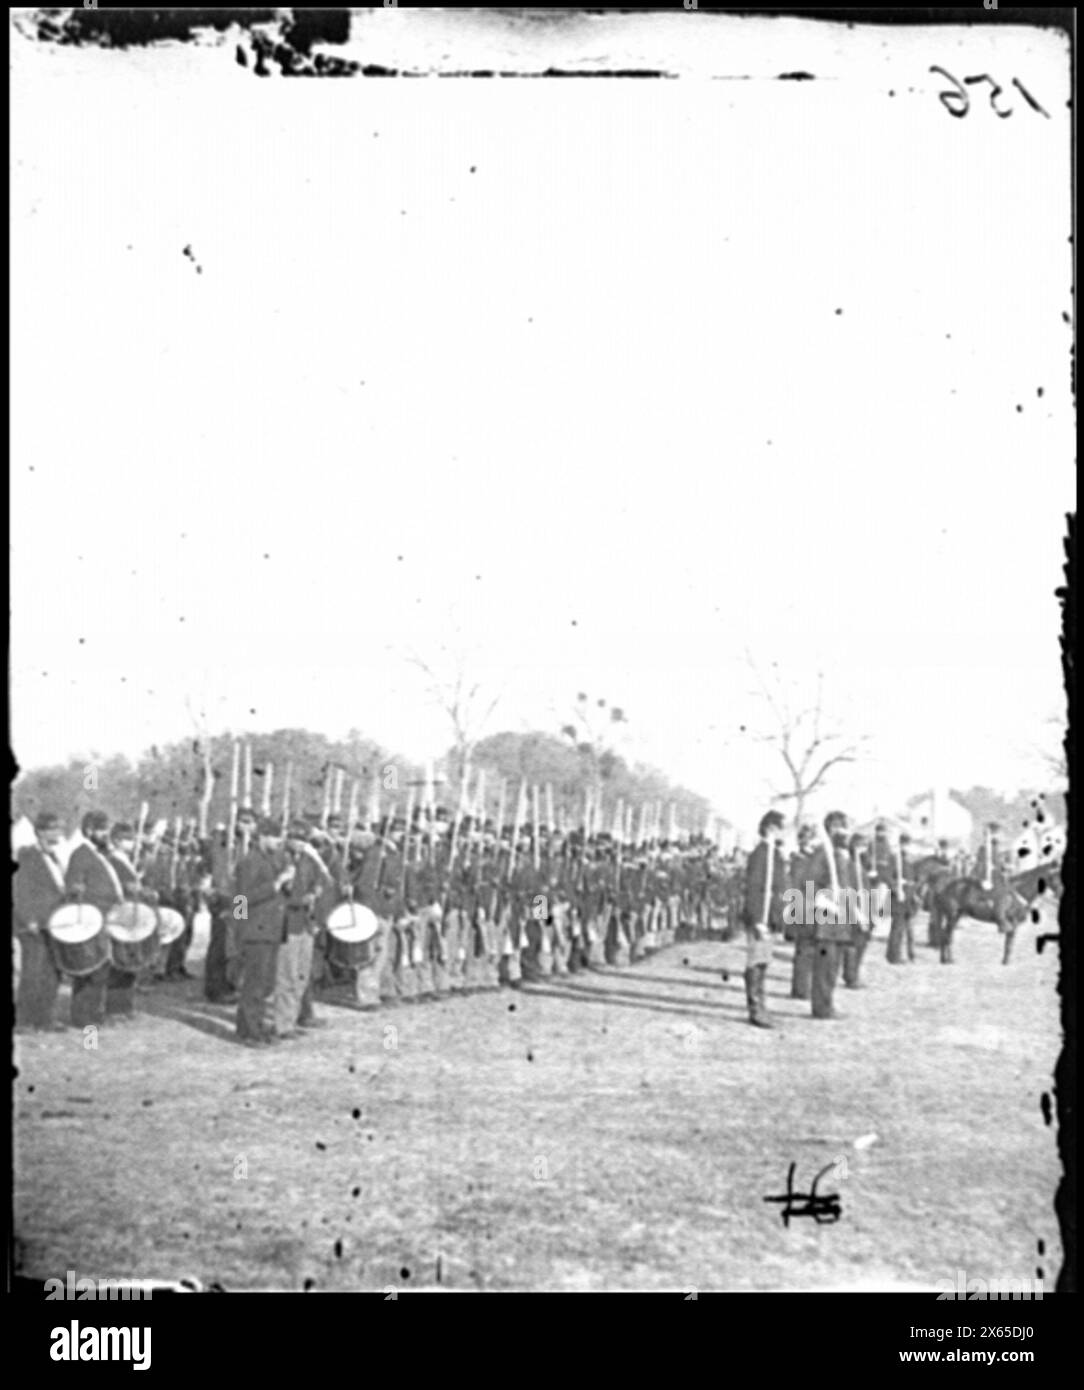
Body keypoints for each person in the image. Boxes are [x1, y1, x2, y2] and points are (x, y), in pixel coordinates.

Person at [233, 816, 293, 1046]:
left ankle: (254, 1024)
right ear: (262, 837)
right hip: (256, 931)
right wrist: (276, 885)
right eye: (275, 836)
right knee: (254, 983)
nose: (279, 841)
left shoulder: (273, 859)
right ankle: (249, 1030)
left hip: (271, 930)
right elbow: (240, 899)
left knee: (266, 983)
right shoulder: (250, 861)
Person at [65, 811, 125, 1027]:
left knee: (101, 969)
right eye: (101, 830)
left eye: (107, 830)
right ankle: (84, 1017)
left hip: (105, 919)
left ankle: (94, 1013)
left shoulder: (100, 854)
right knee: (90, 969)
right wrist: (77, 891)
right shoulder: (80, 854)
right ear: (89, 831)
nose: (106, 834)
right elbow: (73, 885)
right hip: (91, 919)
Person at [13, 811, 67, 1030]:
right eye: (51, 831)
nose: (56, 835)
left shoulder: (54, 857)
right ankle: (24, 1020)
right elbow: (19, 890)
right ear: (39, 833)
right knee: (33, 972)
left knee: (52, 972)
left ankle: (46, 1018)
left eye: (58, 831)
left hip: (53, 923)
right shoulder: (27, 856)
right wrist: (30, 919)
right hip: (33, 925)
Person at [806, 811, 855, 1021]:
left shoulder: (842, 857)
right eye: (837, 827)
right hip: (826, 921)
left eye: (844, 826)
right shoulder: (821, 854)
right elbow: (809, 886)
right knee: (824, 967)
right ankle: (821, 1008)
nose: (842, 831)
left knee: (833, 967)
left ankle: (828, 1003)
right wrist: (827, 903)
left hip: (840, 923)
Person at [740, 810, 787, 1028]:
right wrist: (758, 919)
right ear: (771, 828)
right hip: (760, 916)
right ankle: (755, 1009)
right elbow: (753, 889)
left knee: (763, 962)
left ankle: (761, 1006)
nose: (784, 833)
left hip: (770, 916)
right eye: (781, 828)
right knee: (756, 961)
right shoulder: (761, 854)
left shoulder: (774, 854)